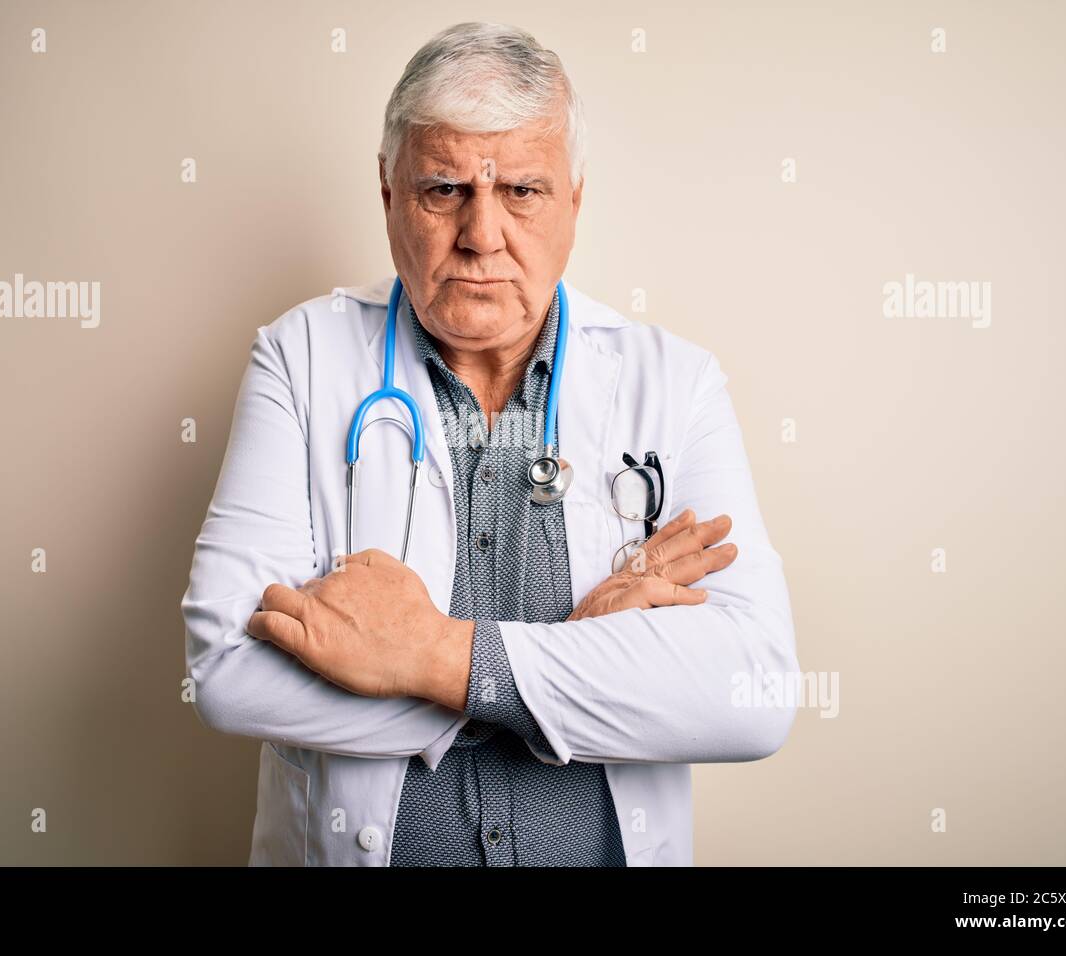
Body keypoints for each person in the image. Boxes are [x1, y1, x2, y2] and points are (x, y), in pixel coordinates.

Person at [180, 21, 798, 866]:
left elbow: (750, 695)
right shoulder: (302, 357)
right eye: (443, 189)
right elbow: (225, 671)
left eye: (522, 191)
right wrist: (576, 653)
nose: (481, 233)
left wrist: (427, 654)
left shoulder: (676, 383)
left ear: (575, 200)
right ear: (388, 190)